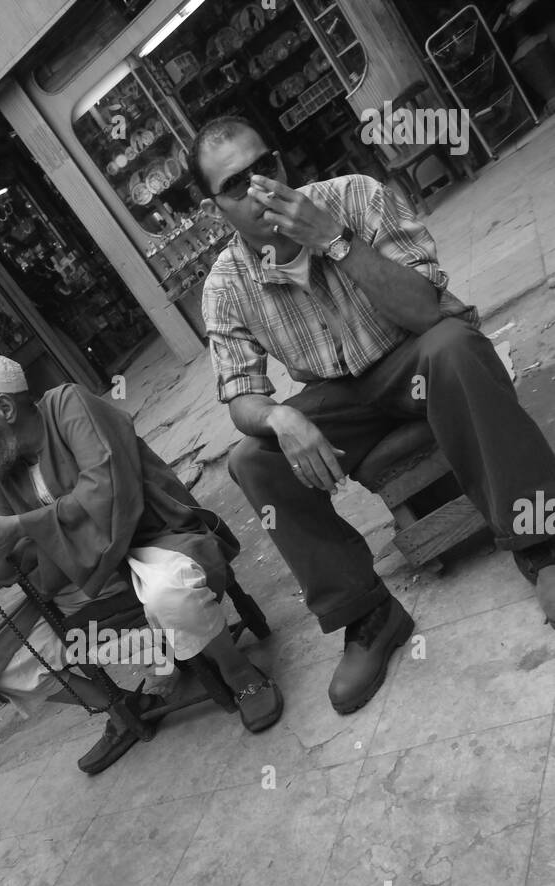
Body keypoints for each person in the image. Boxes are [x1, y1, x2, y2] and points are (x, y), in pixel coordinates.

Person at [195, 116, 555, 714]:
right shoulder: (225, 283)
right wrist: (281, 419)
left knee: (454, 346)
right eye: (236, 187)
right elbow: (240, 395)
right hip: (340, 398)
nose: (259, 191)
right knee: (251, 458)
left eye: (266, 168)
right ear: (217, 208)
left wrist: (334, 240)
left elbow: (424, 309)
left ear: (283, 165)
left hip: (411, 357)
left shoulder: (355, 197)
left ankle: (542, 543)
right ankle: (367, 614)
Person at [0, 354, 283, 775]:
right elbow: (2, 571)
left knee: (168, 591)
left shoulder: (69, 403)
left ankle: (239, 672)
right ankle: (119, 708)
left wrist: (23, 526)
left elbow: (105, 492)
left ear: (4, 408)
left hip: (147, 539)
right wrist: (11, 538)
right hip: (77, 579)